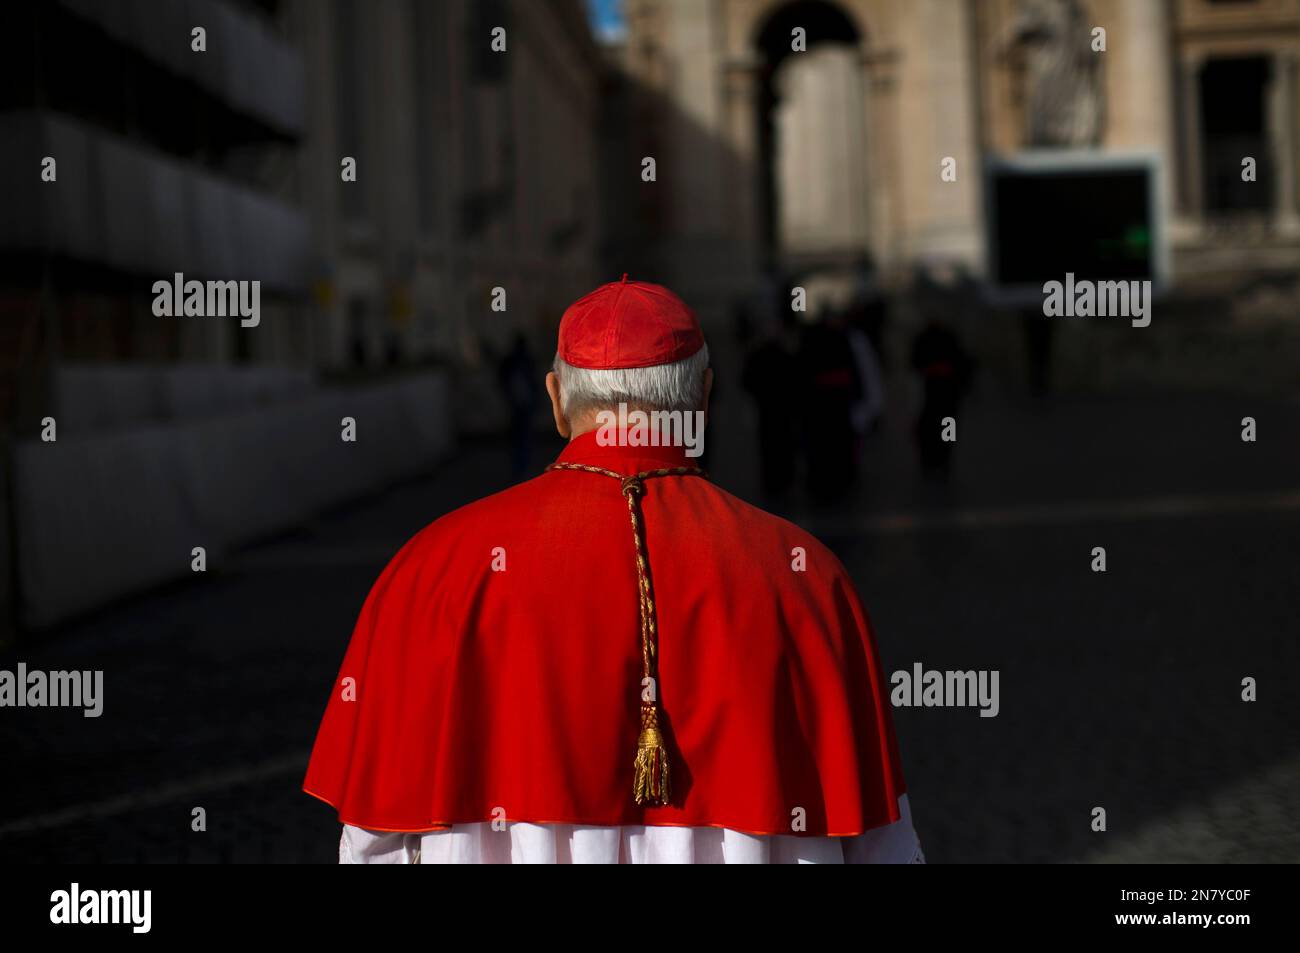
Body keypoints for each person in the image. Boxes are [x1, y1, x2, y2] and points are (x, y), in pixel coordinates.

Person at [304, 276, 922, 864]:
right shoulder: (808, 578)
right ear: (703, 394)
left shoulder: (428, 571)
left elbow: (373, 843)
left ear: (555, 398)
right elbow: (879, 846)